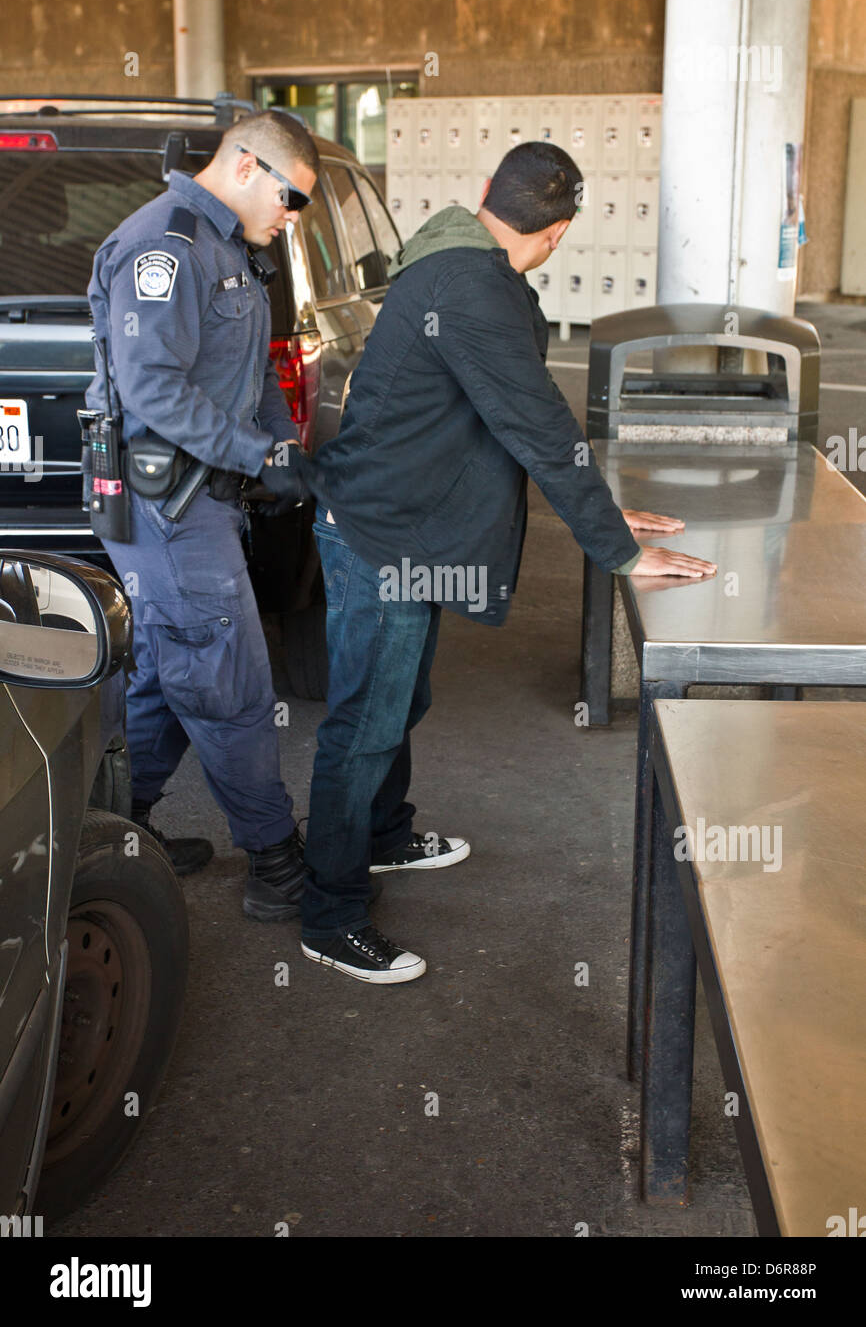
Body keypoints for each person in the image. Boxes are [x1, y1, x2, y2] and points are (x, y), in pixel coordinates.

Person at [297, 140, 716, 985]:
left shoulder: (462, 261)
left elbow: (510, 415)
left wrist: (604, 513)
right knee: (364, 725)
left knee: (399, 700)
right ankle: (329, 916)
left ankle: (383, 837)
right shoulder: (473, 287)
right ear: (558, 233)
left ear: (489, 191)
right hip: (379, 534)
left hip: (406, 525)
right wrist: (618, 549)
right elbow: (539, 426)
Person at [87, 110, 317, 921]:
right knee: (228, 677)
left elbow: (252, 373)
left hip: (196, 499)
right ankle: (276, 862)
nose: (293, 216)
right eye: (292, 198)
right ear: (247, 165)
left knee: (168, 670)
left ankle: (114, 833)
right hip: (165, 505)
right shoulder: (166, 247)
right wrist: (253, 455)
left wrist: (280, 448)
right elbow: (152, 390)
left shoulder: (230, 249)